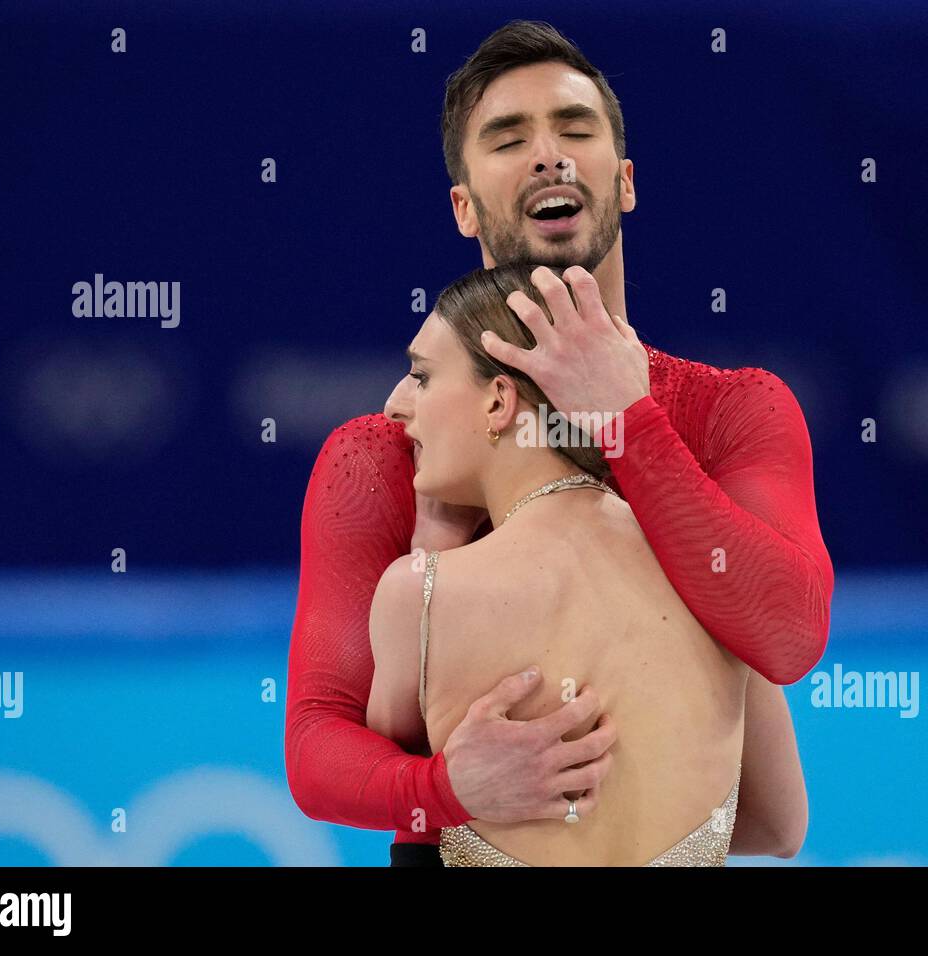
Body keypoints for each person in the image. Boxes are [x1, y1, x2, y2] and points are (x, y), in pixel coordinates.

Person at [284, 20, 829, 865]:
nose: (550, 155)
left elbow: (790, 637)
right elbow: (318, 753)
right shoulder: (393, 451)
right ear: (464, 204)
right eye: (509, 138)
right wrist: (448, 792)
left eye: (576, 130)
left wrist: (627, 422)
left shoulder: (730, 413)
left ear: (627, 181)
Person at [369, 263, 760, 866]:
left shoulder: (420, 593)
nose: (396, 405)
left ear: (499, 400)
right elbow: (783, 824)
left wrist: (432, 548)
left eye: (422, 376)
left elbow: (388, 800)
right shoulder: (713, 576)